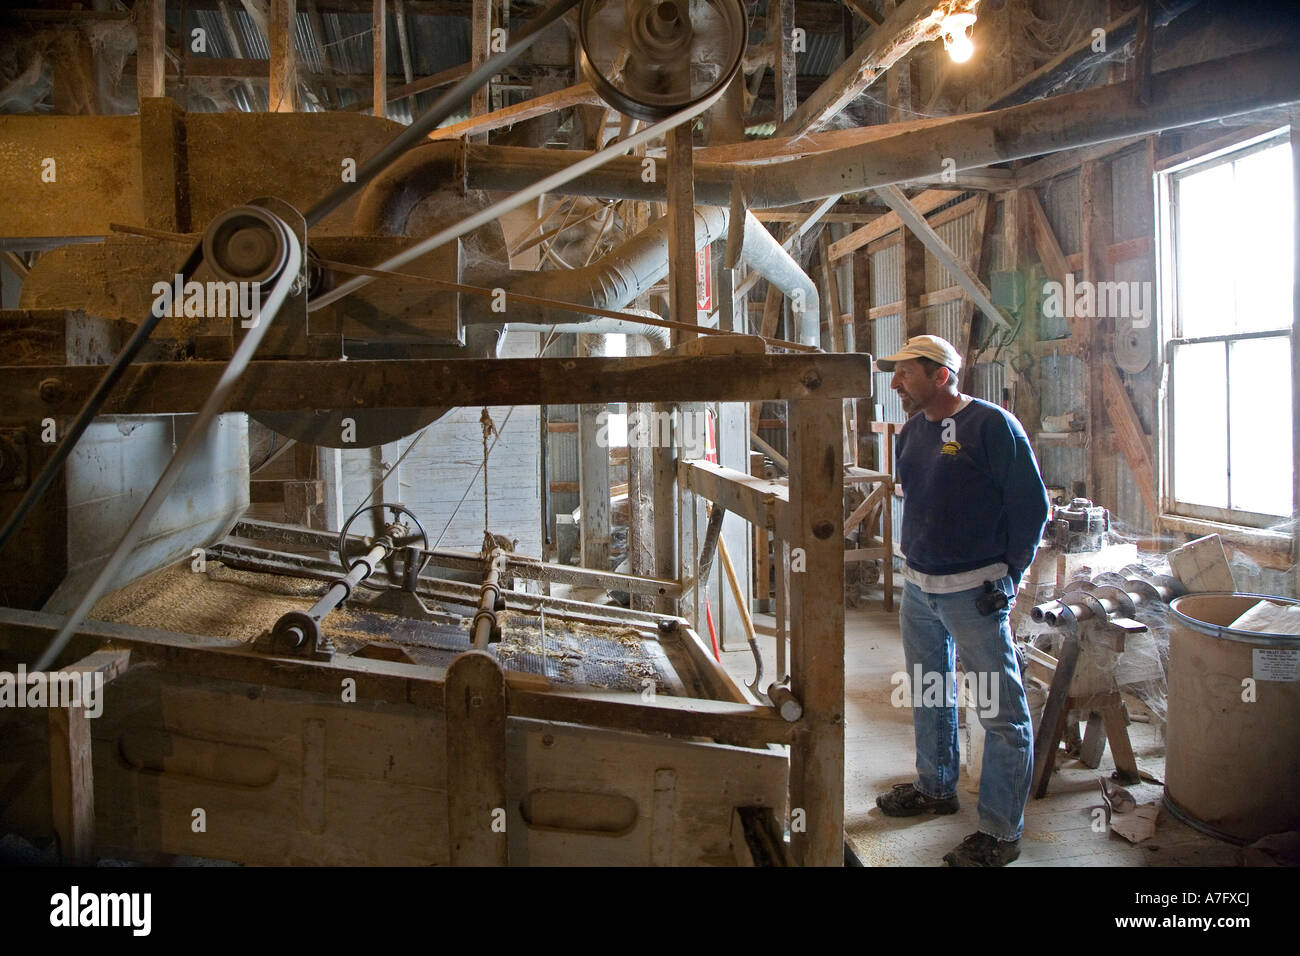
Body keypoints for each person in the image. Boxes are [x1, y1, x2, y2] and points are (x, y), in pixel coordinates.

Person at [873, 334, 1049, 867]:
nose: (896, 382)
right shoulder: (912, 432)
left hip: (975, 592)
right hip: (921, 589)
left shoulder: (992, 426)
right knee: (929, 693)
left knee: (1000, 713)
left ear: (941, 375)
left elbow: (1031, 507)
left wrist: (1009, 574)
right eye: (895, 372)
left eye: (906, 373)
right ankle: (936, 789)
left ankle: (1000, 832)